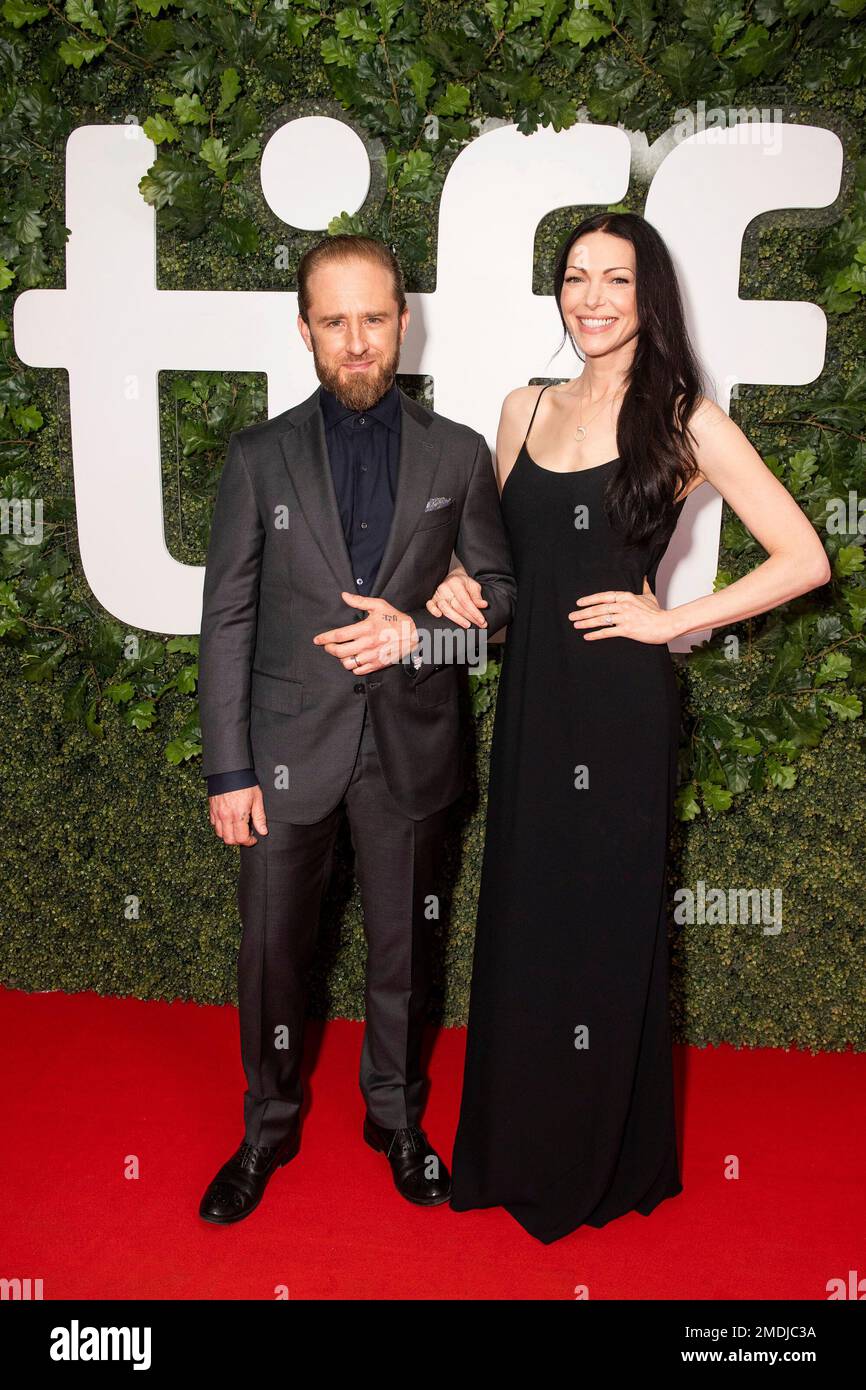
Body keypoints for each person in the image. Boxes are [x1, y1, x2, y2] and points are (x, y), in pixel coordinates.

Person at [428, 211, 831, 1244]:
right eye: (574, 277)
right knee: (524, 916)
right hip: (531, 702)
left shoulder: (684, 418)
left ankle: (602, 1160)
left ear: (648, 296)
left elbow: (802, 556)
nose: (591, 297)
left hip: (616, 709)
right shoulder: (520, 407)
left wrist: (671, 619)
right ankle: (510, 1148)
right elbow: (500, 564)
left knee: (605, 927)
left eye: (614, 278)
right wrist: (455, 584)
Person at [196, 235, 516, 1224]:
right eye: (333, 322)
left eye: (372, 318)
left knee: (403, 956)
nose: (356, 340)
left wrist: (419, 636)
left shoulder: (457, 454)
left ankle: (396, 1118)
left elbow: (497, 609)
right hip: (286, 753)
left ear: (402, 321)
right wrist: (227, 770)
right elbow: (229, 622)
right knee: (272, 957)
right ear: (305, 330)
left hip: (410, 754)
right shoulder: (257, 460)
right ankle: (265, 1127)